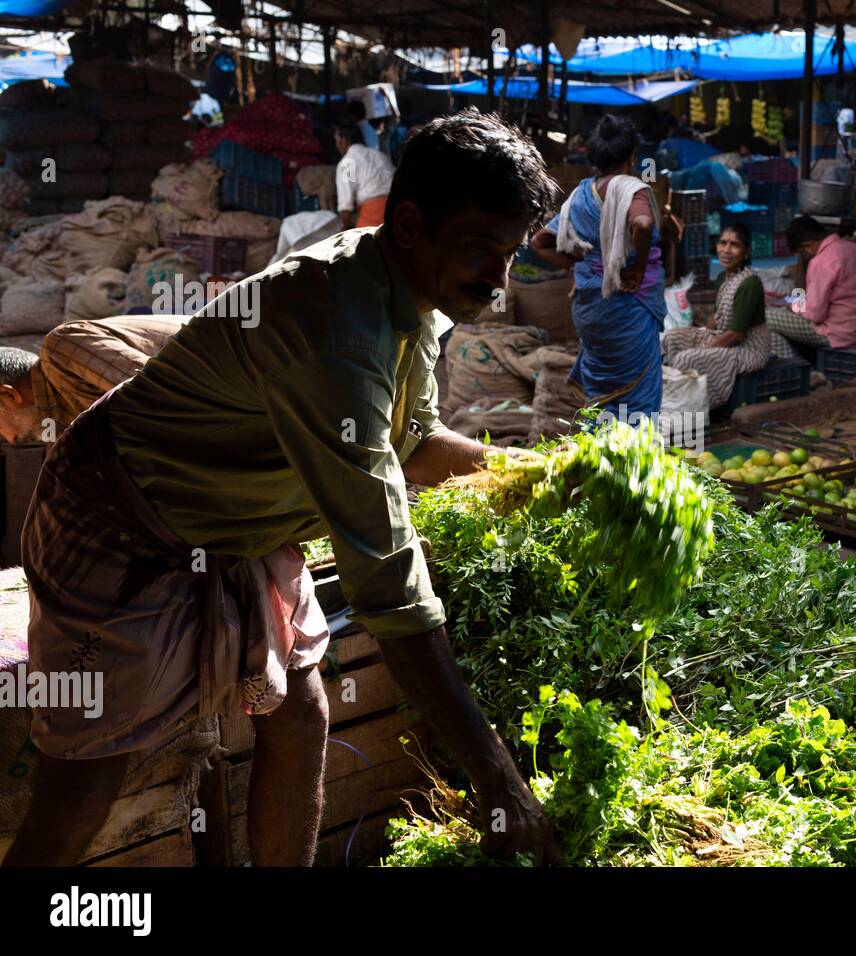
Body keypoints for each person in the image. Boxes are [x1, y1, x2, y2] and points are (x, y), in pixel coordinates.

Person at [2, 109, 564, 868]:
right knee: (84, 788)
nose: (497, 278)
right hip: (118, 517)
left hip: (234, 525)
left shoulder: (411, 298)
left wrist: (537, 473)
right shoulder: (338, 333)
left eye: (509, 252)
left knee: (298, 714)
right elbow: (390, 589)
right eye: (479, 248)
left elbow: (414, 440)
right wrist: (497, 778)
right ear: (409, 225)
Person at [530, 114, 667, 420]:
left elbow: (539, 242)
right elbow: (643, 225)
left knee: (601, 401)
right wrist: (637, 269)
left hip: (591, 310)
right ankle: (631, 449)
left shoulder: (580, 195)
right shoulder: (632, 189)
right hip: (627, 307)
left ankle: (600, 446)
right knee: (637, 401)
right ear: (632, 157)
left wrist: (580, 268)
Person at [0, 316, 184, 443]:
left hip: (198, 381)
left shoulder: (61, 348)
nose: (10, 439)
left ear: (9, 395)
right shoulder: (53, 419)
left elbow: (162, 396)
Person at [661, 223, 771, 409]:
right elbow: (716, 315)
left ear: (746, 251)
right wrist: (702, 334)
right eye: (723, 243)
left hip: (749, 348)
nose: (726, 250)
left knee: (686, 359)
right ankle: (675, 397)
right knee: (672, 338)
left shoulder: (749, 284)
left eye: (734, 245)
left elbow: (737, 335)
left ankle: (688, 408)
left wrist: (704, 348)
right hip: (724, 337)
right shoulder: (722, 277)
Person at [768, 215, 856, 359]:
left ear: (807, 246)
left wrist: (792, 306)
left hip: (837, 335)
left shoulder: (821, 262)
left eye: (801, 254)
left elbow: (815, 314)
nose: (803, 259)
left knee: (766, 317)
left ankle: (796, 365)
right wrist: (791, 300)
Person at [334, 123, 395, 229]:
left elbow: (346, 205)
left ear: (343, 141)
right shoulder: (379, 155)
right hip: (396, 209)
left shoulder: (347, 162)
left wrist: (342, 232)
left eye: (337, 141)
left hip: (373, 216)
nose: (337, 145)